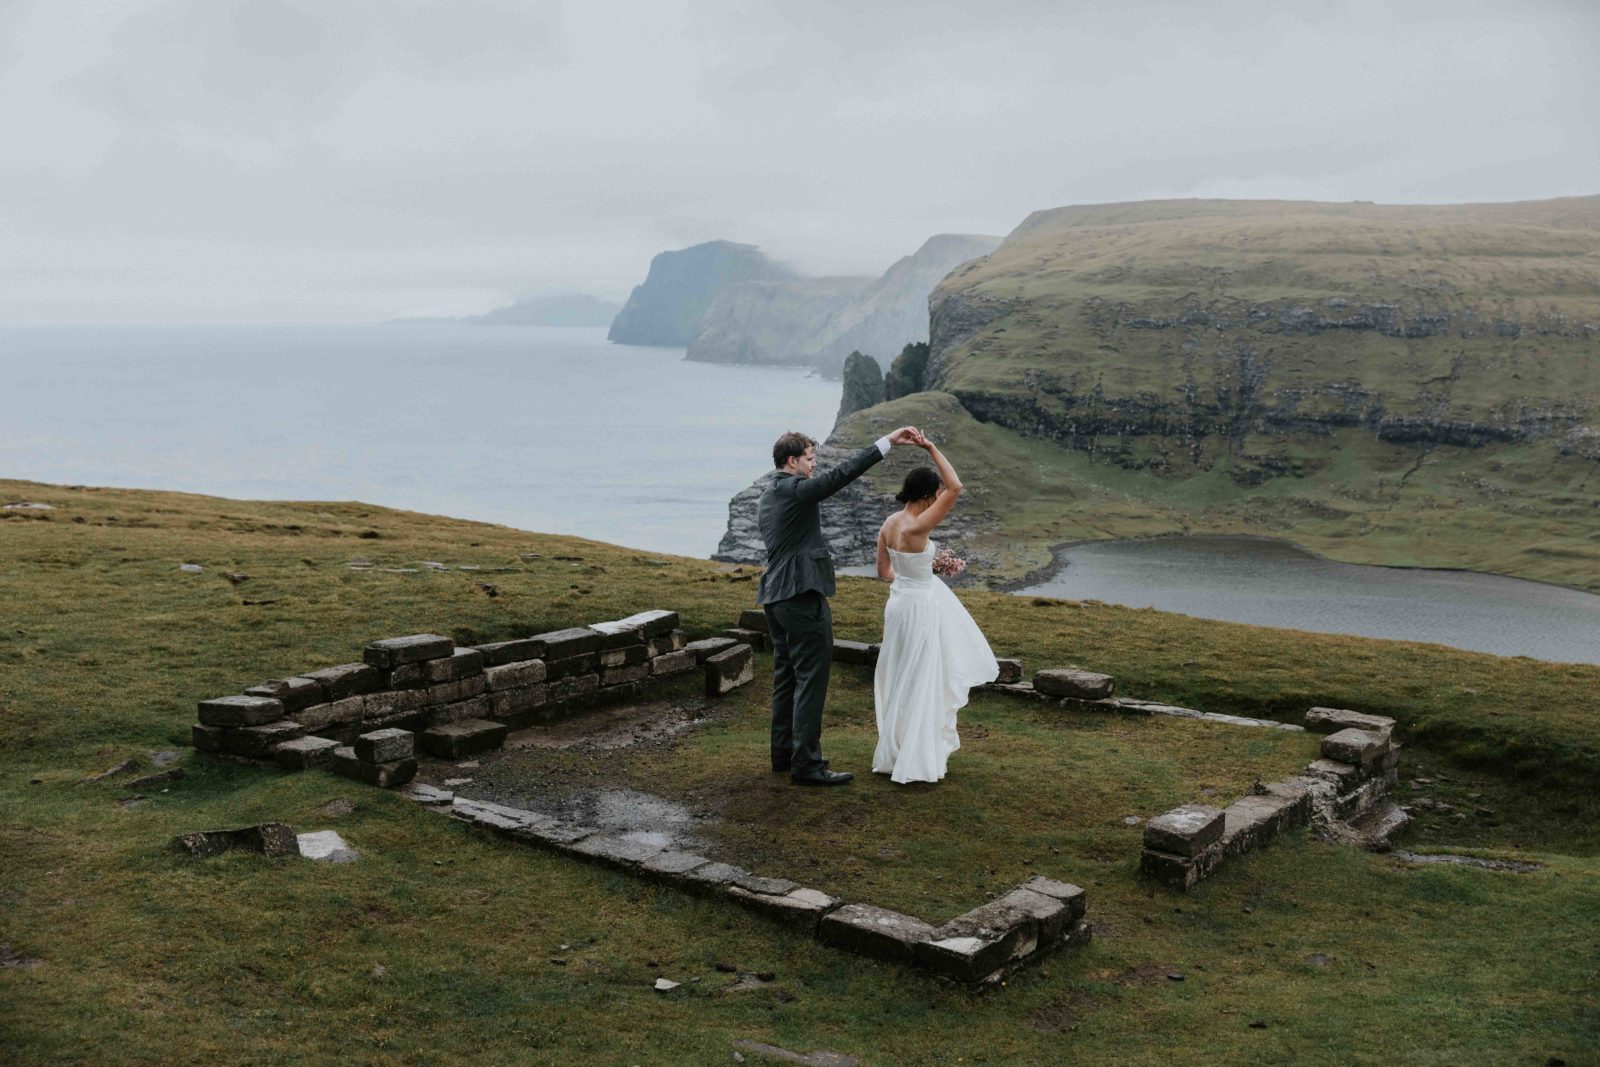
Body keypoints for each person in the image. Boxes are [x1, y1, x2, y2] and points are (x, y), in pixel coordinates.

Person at [759, 425, 921, 786]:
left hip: (775, 597)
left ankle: (783, 755)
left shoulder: (769, 493)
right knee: (811, 680)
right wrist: (886, 443)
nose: (814, 465)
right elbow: (840, 476)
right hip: (801, 596)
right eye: (810, 459)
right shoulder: (796, 490)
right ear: (792, 461)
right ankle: (808, 765)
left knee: (786, 679)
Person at [871, 430, 999, 784]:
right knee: (924, 675)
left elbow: (884, 571)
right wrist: (930, 447)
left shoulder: (889, 524)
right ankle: (916, 756)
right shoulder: (918, 526)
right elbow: (955, 487)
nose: (936, 502)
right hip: (921, 607)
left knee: (901, 673)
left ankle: (895, 750)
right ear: (926, 496)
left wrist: (914, 573)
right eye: (933, 497)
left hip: (898, 605)